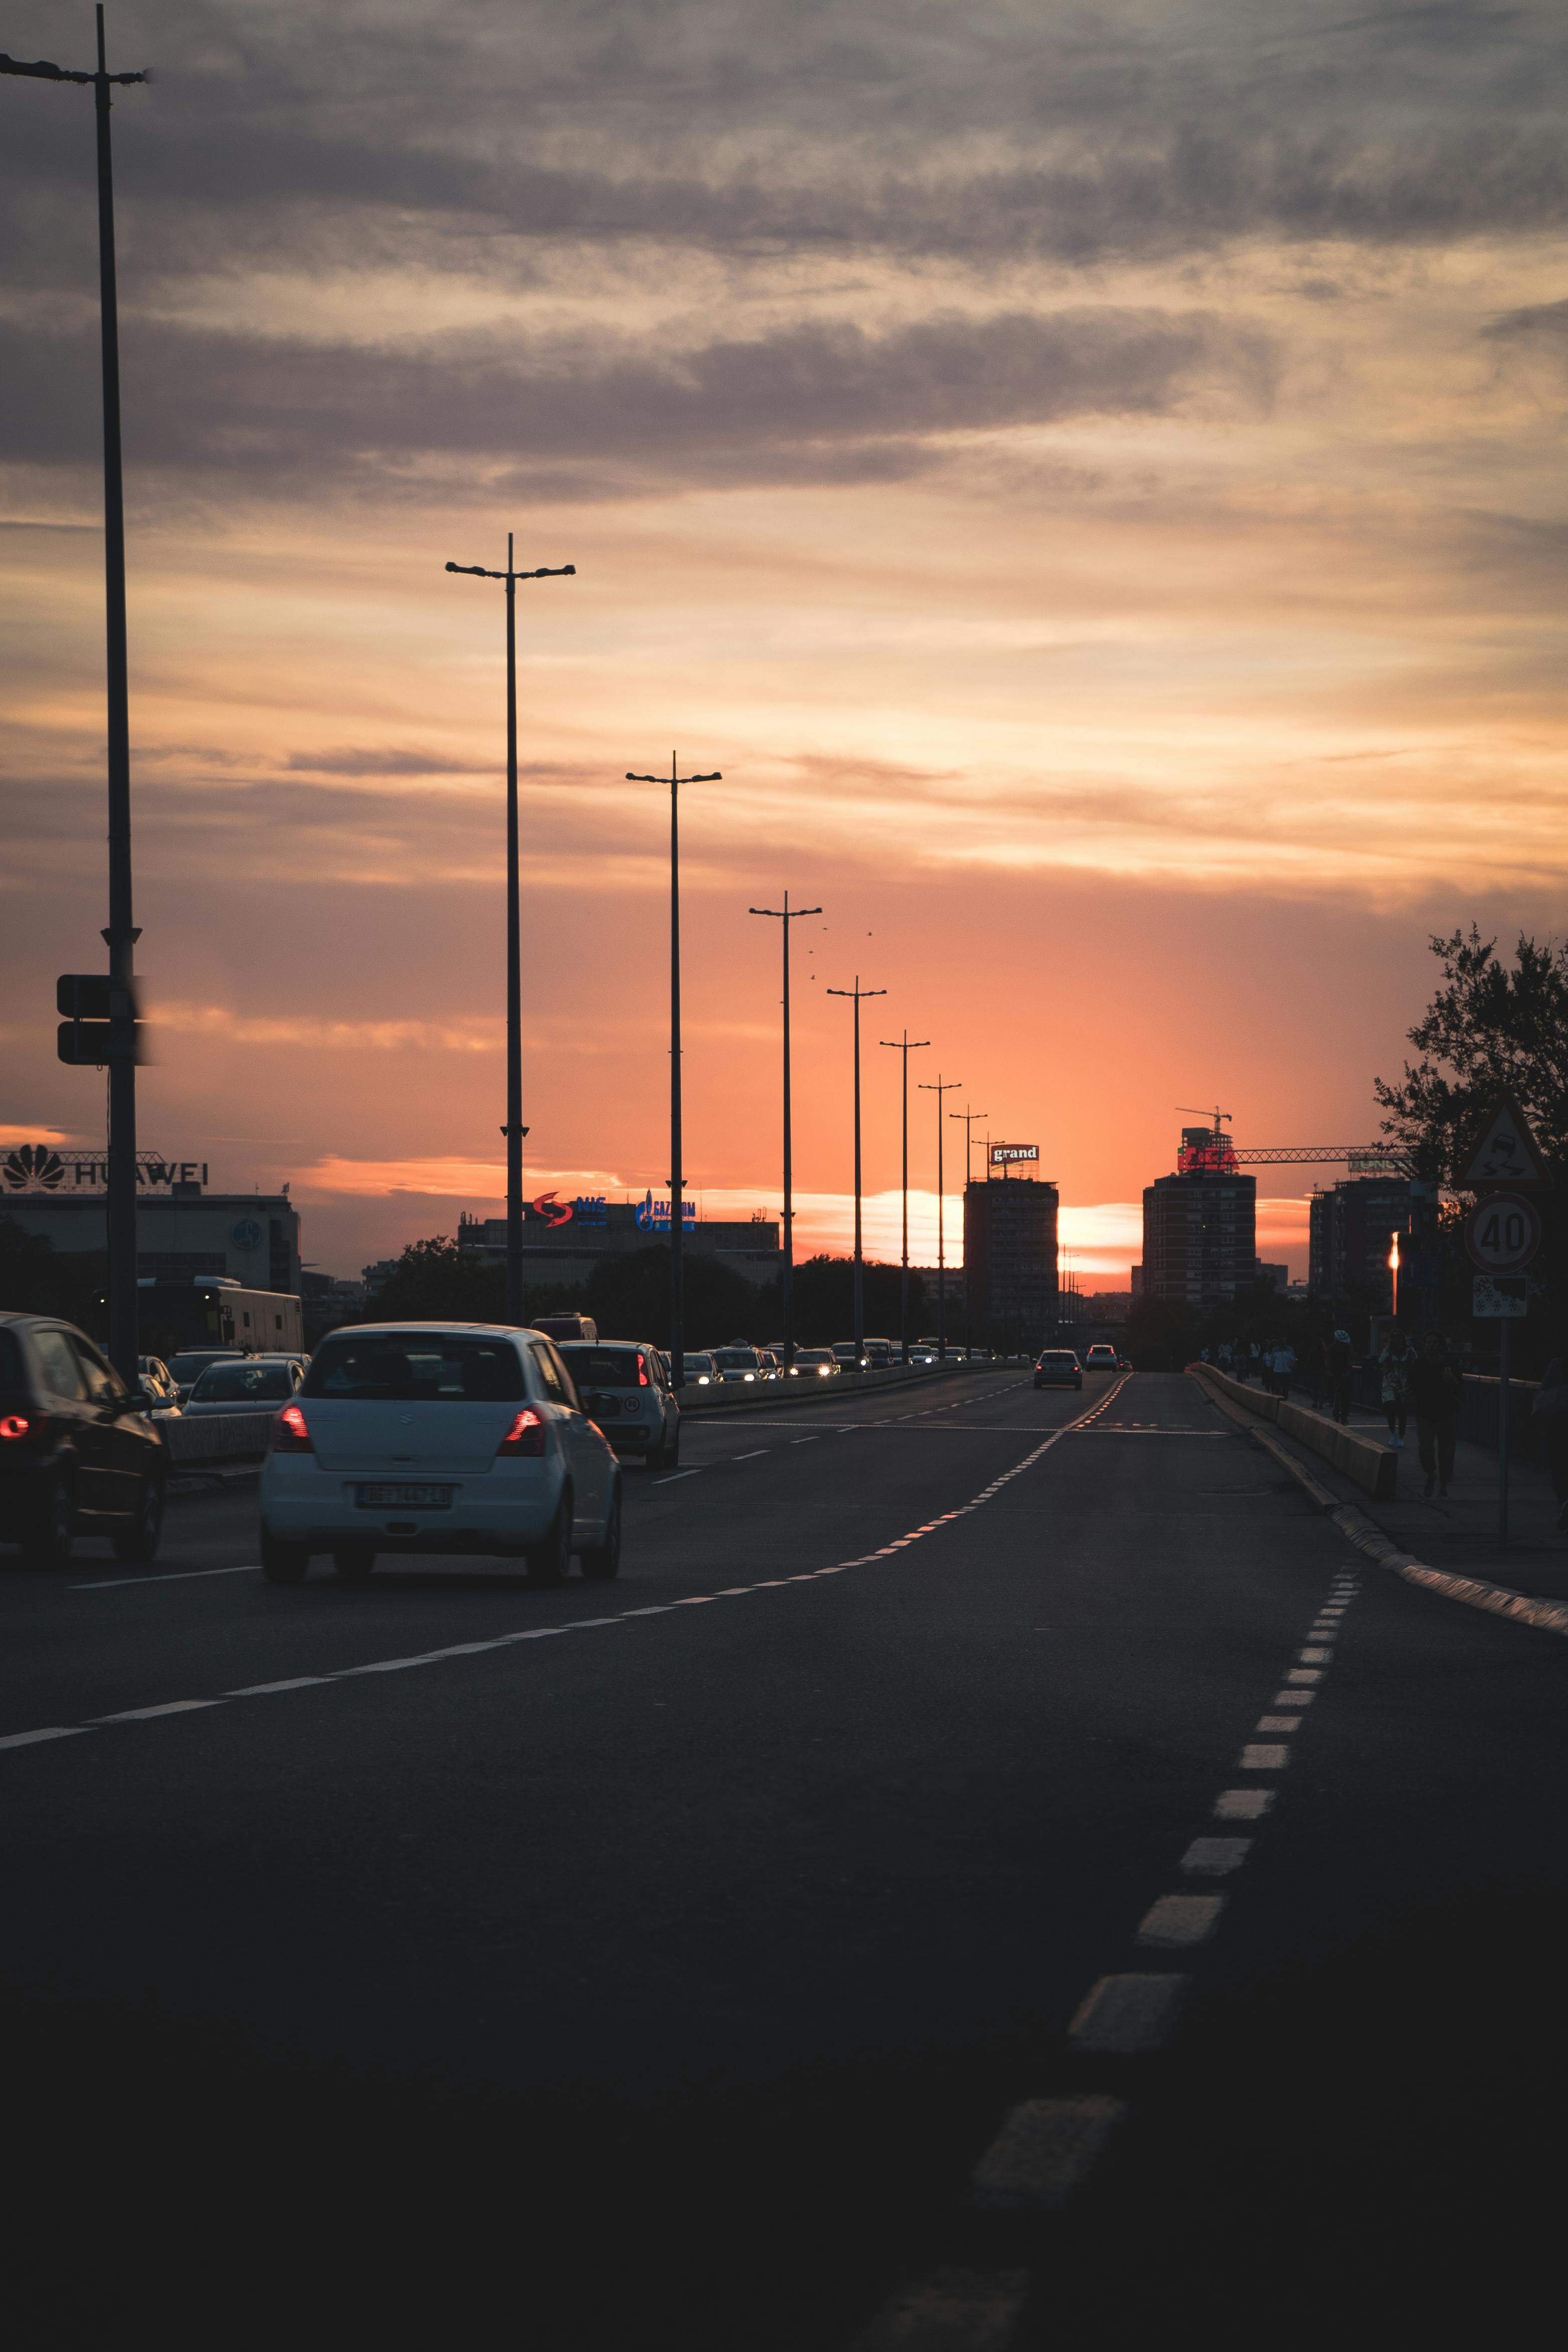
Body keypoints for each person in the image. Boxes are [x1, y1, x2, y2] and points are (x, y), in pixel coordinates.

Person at [1408, 1330, 1465, 1499]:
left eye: (1434, 1342)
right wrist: (1408, 1394)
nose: (1431, 1346)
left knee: (1447, 1452)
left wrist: (1452, 1381)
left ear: (1441, 1345)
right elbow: (1412, 1385)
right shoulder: (1419, 1365)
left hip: (1447, 1413)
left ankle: (1444, 1486)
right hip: (1425, 1414)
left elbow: (1460, 1387)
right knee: (1425, 1450)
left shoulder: (1451, 1364)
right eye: (1428, 1343)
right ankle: (1431, 1473)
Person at [1531, 1357, 1568, 1535]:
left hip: (1556, 1426)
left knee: (1559, 1468)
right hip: (1557, 1425)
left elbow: (1544, 1393)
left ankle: (1563, 1502)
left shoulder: (1557, 1364)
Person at [1378, 1328, 1415, 1449]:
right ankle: (1393, 1433)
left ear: (1403, 1339)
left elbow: (1415, 1365)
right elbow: (1381, 1361)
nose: (1396, 1339)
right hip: (1390, 1382)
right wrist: (1388, 1350)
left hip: (1404, 1384)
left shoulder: (1410, 1351)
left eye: (1398, 1337)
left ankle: (1401, 1437)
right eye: (1393, 1337)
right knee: (1390, 1407)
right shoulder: (1388, 1351)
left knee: (1402, 1411)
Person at [1325, 1328, 1355, 1424]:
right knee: (1331, 1387)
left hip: (1344, 1372)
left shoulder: (1349, 1349)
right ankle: (1331, 1400)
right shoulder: (1330, 1349)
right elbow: (1327, 1361)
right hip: (1334, 1371)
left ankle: (1345, 1415)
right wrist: (1329, 1372)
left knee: (1346, 1394)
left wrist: (1349, 1371)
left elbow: (1350, 1361)